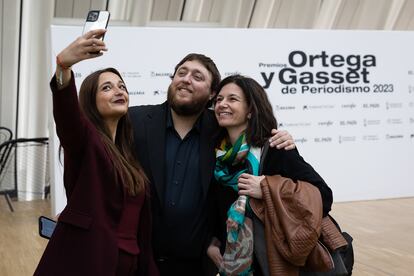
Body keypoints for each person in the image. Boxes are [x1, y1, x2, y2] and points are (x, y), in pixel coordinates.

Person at [128, 54, 296, 275]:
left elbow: (253, 142)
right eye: (181, 73)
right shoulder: (135, 120)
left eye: (197, 76)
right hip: (139, 257)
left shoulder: (222, 131)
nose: (186, 79)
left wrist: (282, 140)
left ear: (212, 93)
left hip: (197, 263)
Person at [34, 29, 158, 276]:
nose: (119, 90)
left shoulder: (128, 154)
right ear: (91, 100)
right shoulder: (85, 140)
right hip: (88, 263)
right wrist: (63, 67)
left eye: (122, 86)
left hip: (130, 265)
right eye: (107, 88)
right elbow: (67, 116)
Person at [206, 74, 333, 275]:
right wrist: (213, 242)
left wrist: (267, 188)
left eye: (232, 99)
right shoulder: (218, 155)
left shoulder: (275, 147)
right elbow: (216, 207)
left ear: (250, 110)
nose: (222, 104)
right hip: (233, 259)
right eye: (219, 99)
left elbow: (323, 196)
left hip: (275, 260)